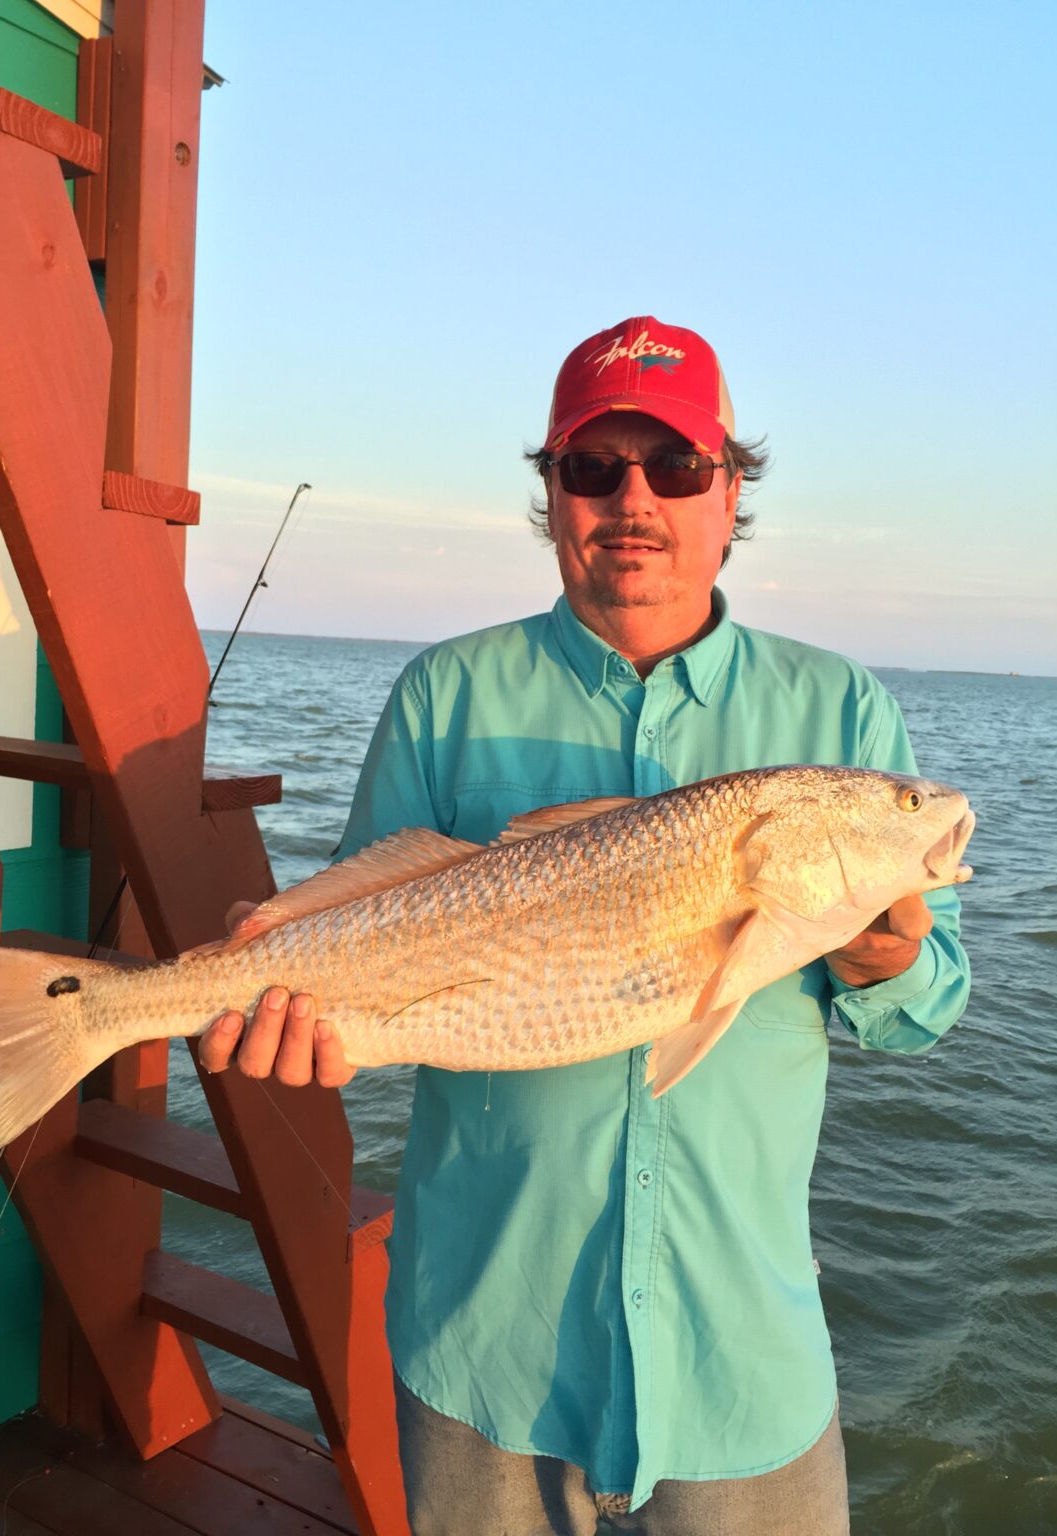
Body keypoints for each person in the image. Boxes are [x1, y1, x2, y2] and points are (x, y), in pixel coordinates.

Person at [200, 317, 970, 1535]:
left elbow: (930, 1005)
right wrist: (288, 1002)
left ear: (729, 496)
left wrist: (888, 955)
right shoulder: (444, 694)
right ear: (551, 495)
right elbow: (351, 943)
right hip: (482, 1343)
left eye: (675, 469)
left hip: (741, 1360)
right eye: (592, 467)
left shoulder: (842, 711)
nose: (635, 500)